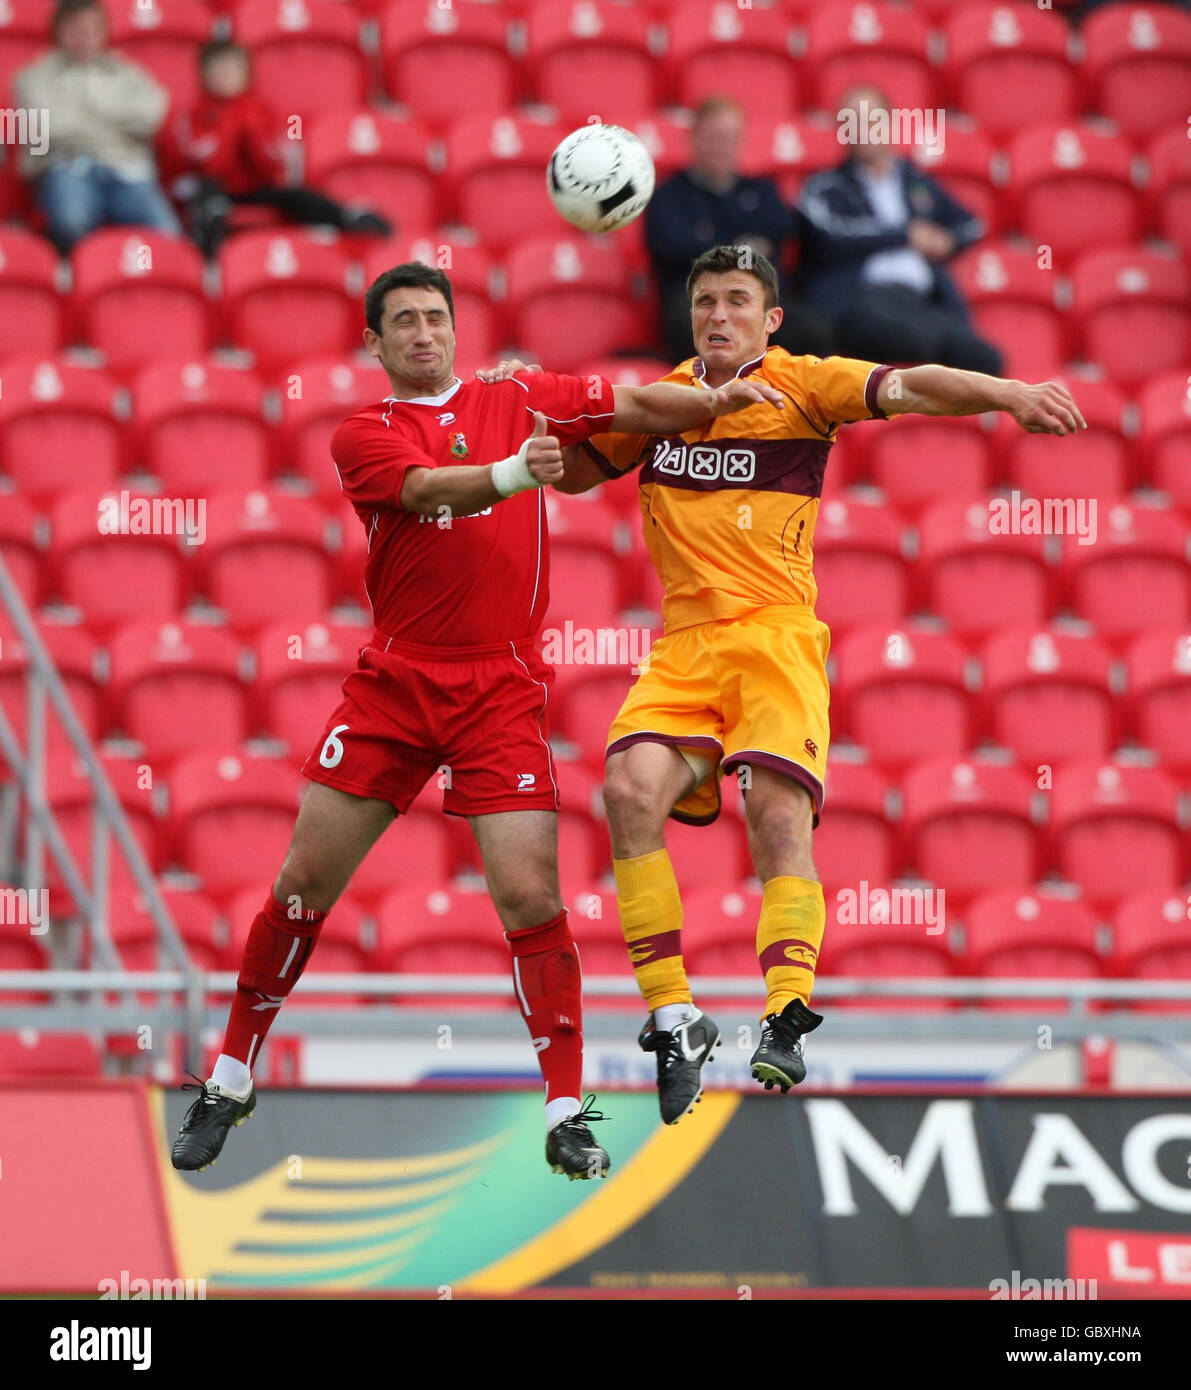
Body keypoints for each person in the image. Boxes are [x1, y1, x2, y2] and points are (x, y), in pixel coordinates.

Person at [168, 261, 784, 1179]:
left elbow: (637, 409)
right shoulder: (360, 433)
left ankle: (566, 1109)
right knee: (302, 885)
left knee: (532, 899)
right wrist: (510, 472)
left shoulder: (522, 395)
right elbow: (424, 493)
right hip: (395, 685)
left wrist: (725, 395)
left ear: (457, 329)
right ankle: (230, 1073)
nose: (424, 333)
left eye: (436, 318)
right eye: (404, 323)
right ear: (374, 343)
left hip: (498, 690)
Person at [494, 245, 1083, 1125]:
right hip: (685, 646)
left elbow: (913, 386)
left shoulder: (805, 385)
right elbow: (581, 470)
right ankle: (675, 1016)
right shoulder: (663, 402)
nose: (717, 316)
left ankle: (783, 1014)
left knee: (775, 820)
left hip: (773, 642)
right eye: (704, 302)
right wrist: (527, 417)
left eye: (736, 301)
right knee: (625, 790)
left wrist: (1004, 394)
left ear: (770, 319)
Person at [796, 86, 1002, 374]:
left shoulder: (914, 181)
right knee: (919, 341)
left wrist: (946, 240)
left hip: (920, 302)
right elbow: (830, 236)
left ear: (889, 123)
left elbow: (972, 224)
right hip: (860, 302)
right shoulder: (824, 187)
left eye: (870, 120)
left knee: (985, 358)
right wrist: (906, 235)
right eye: (850, 122)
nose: (861, 130)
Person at [158, 39, 392, 259]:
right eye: (218, 70)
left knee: (297, 195)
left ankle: (350, 217)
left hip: (255, 185)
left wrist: (252, 133)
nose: (225, 76)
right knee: (207, 195)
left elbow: (274, 162)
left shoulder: (261, 111)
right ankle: (207, 250)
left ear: (246, 74)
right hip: (216, 187)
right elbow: (206, 162)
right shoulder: (193, 115)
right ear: (203, 75)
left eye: (232, 69)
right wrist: (231, 127)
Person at [645, 96, 836, 363]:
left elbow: (783, 227)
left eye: (729, 138)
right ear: (693, 139)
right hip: (699, 301)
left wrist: (714, 246)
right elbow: (672, 246)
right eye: (713, 137)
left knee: (814, 329)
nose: (721, 147)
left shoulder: (760, 190)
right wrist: (739, 249)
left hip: (758, 301)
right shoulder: (669, 196)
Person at [13, 0, 182, 255]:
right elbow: (39, 131)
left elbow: (153, 116)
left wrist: (79, 118)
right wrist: (114, 121)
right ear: (59, 32)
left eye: (90, 30)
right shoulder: (31, 77)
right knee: (72, 224)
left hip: (127, 171)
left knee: (168, 235)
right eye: (75, 30)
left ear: (103, 33)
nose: (83, 38)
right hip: (66, 169)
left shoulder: (127, 72)